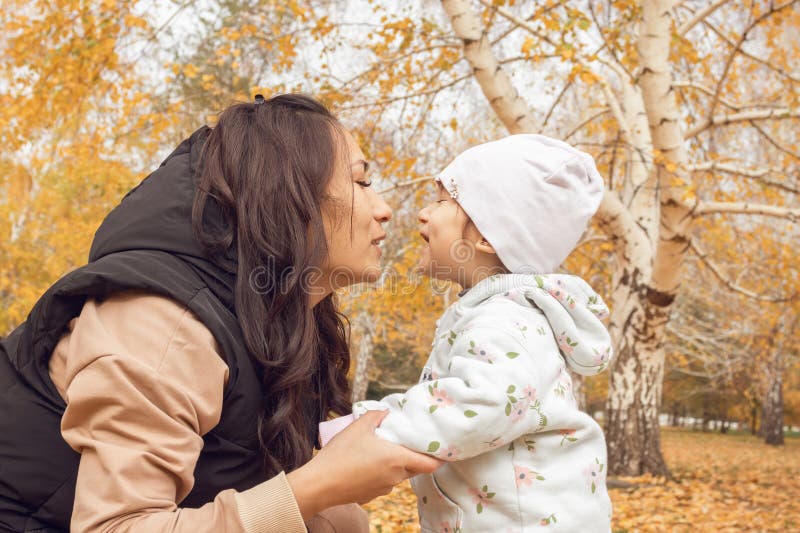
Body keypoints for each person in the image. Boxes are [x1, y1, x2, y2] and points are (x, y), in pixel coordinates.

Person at [0, 93, 442, 533]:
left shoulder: (282, 322)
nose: (384, 210)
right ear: (288, 194)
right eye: (361, 182)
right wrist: (319, 485)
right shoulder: (163, 324)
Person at [320, 134, 614, 531]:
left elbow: (476, 405)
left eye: (442, 201)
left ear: (488, 237)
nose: (423, 214)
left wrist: (365, 428)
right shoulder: (498, 312)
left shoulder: (507, 322)